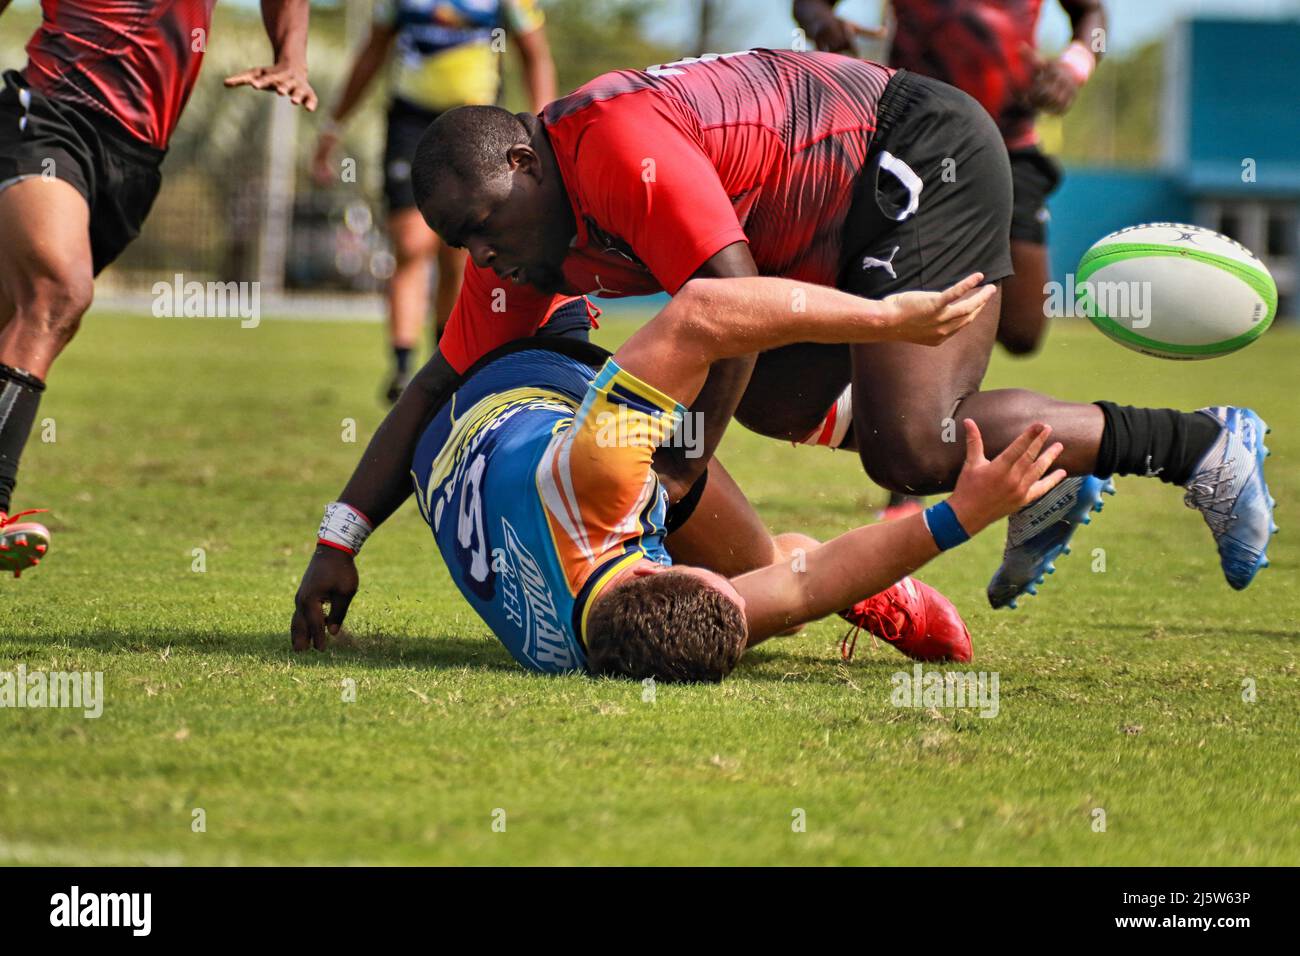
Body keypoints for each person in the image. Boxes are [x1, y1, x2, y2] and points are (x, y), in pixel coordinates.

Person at [397, 49, 1276, 611]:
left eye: (482, 225)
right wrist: (340, 539)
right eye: (460, 240)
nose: (480, 254)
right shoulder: (518, 236)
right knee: (773, 397)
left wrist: (679, 468)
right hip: (834, 207)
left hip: (915, 151)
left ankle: (1199, 443)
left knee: (914, 453)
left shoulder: (615, 149)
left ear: (522, 165)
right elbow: (439, 383)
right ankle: (1040, 465)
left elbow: (724, 305)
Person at [292, 272, 1066, 680]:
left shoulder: (603, 480)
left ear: (656, 566)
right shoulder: (591, 647)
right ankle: (871, 563)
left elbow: (699, 312)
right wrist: (958, 517)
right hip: (482, 464)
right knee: (779, 588)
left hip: (532, 370)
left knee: (681, 329)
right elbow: (796, 588)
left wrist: (888, 320)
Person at [0, 0, 317, 578]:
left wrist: (290, 57)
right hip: (46, 115)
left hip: (136, 160)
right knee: (57, 295)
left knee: (15, 323)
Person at [792, 0, 1107, 519]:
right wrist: (822, 25)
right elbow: (810, 4)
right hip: (919, 145)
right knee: (924, 307)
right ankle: (910, 480)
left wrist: (1074, 66)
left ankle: (1049, 454)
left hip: (1012, 143)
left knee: (1024, 330)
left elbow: (1092, 15)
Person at [311, 0, 557, 403]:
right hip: (411, 125)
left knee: (458, 254)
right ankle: (403, 367)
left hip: (476, 127)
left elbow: (535, 55)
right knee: (410, 244)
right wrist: (333, 126)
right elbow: (373, 52)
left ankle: (450, 362)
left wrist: (543, 126)